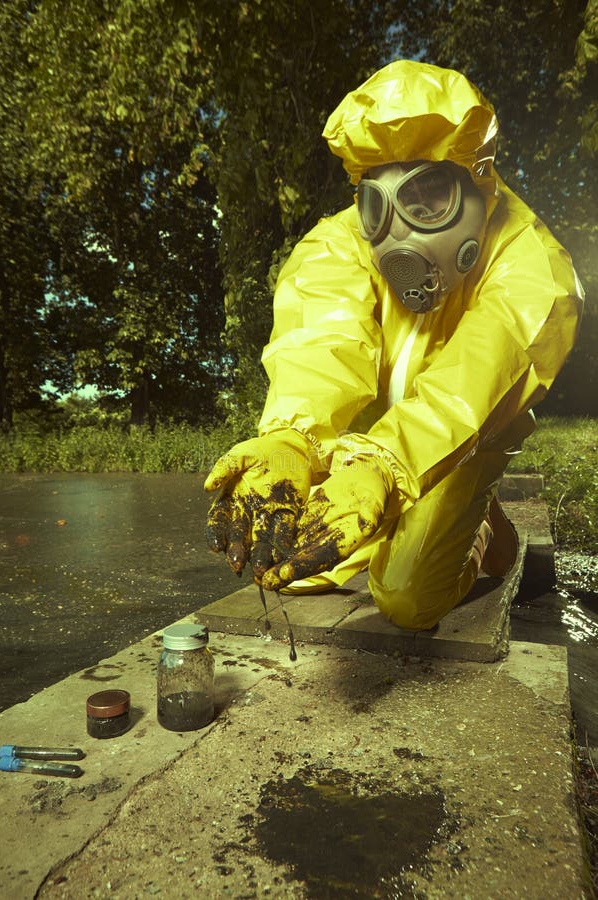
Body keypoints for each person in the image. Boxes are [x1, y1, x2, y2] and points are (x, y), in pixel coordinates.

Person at [204, 60, 583, 631]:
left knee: (406, 598)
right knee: (294, 564)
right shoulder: (341, 241)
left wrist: (393, 463)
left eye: (429, 198)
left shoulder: (532, 263)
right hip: (371, 441)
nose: (398, 231)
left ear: (476, 184)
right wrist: (293, 437)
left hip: (466, 436)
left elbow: (480, 376)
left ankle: (480, 520)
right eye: (377, 204)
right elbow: (324, 338)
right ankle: (433, 512)